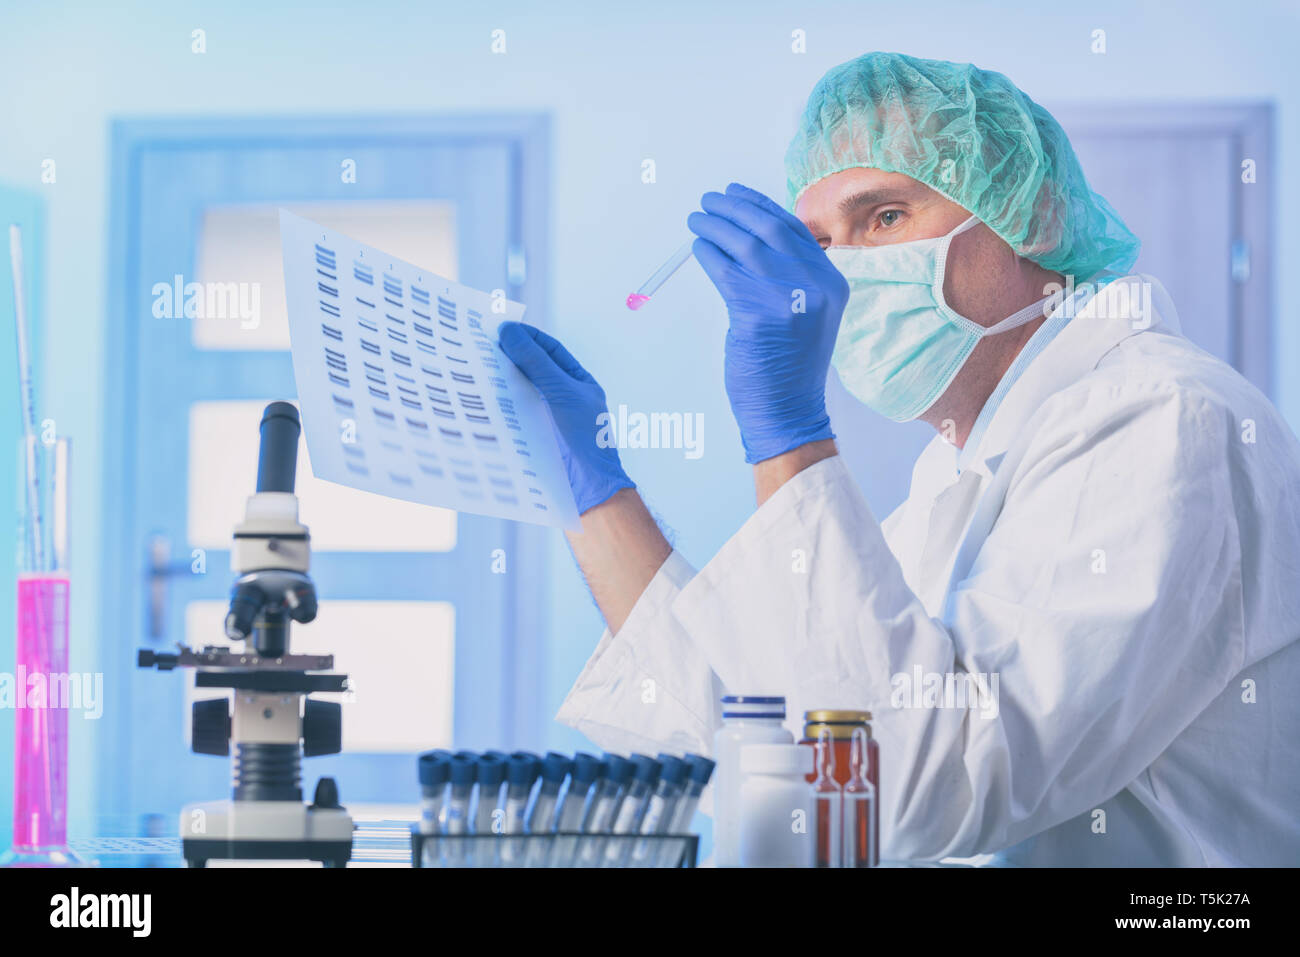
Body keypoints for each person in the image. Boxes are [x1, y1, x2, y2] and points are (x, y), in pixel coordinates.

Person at [497, 52, 1300, 866]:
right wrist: (595, 495)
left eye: (883, 217)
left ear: (1038, 218)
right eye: (819, 242)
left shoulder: (1162, 419)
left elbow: (906, 788)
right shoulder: (960, 474)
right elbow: (772, 742)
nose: (846, 268)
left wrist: (784, 427)